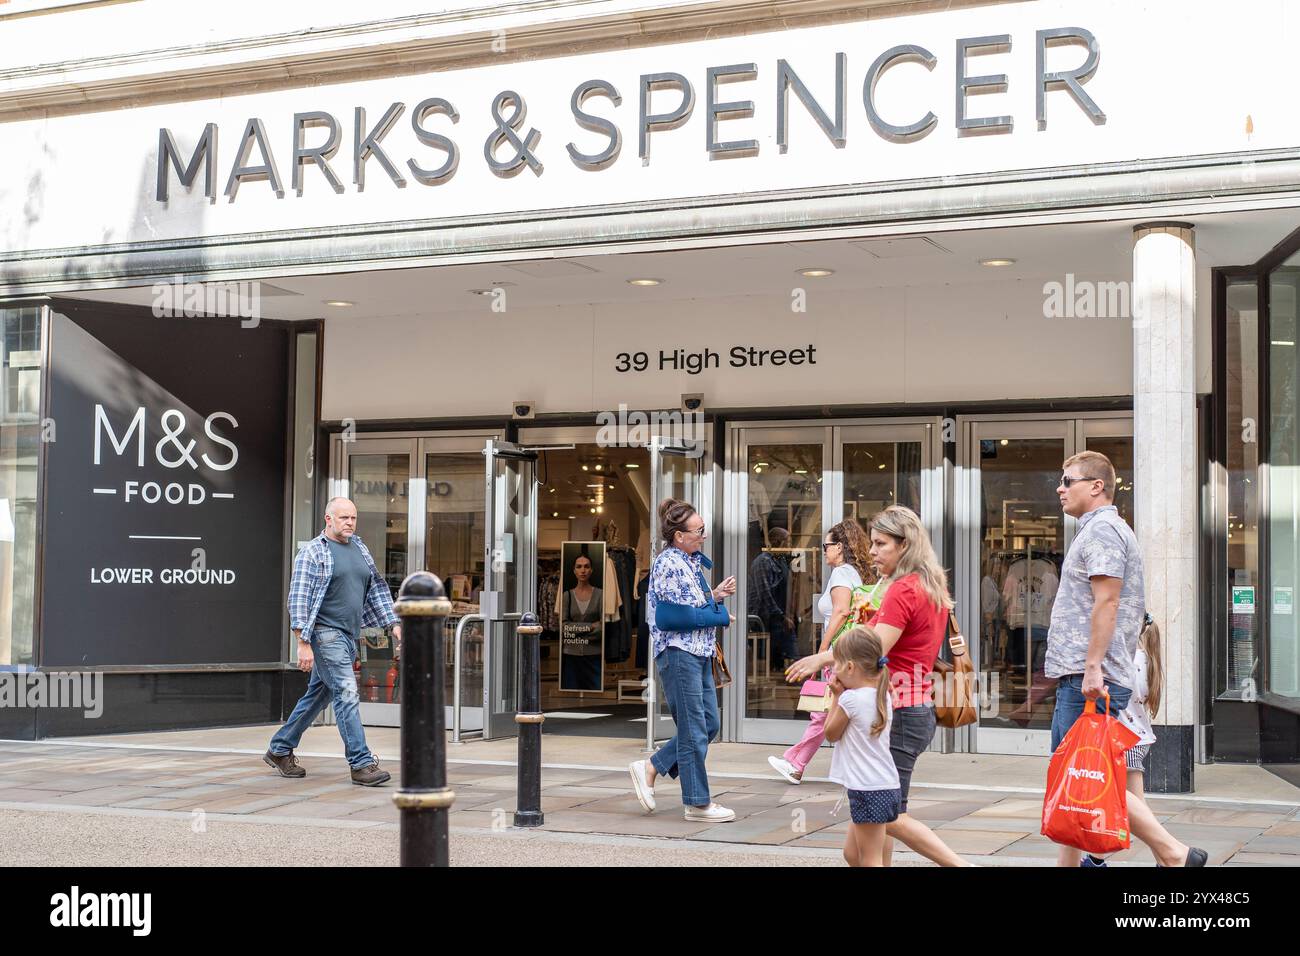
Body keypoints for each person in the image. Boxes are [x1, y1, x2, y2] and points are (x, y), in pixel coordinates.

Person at [787, 505, 968, 866]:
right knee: (860, 846)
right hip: (911, 706)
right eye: (872, 543)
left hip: (898, 710)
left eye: (880, 544)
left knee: (888, 815)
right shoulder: (928, 584)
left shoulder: (903, 590)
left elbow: (872, 648)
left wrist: (821, 658)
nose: (871, 552)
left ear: (905, 545)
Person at [1044, 451, 1144, 866]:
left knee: (1086, 771)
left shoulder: (1103, 531)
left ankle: (1173, 852)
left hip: (1089, 676)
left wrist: (1091, 668)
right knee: (1078, 775)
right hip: (1083, 673)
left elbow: (1108, 601)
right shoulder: (1096, 530)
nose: (1060, 488)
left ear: (1096, 486)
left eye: (1068, 480)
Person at [265, 497, 399, 786]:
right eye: (343, 518)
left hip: (350, 636)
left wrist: (393, 623)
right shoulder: (313, 552)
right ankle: (361, 763)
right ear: (328, 519)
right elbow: (298, 599)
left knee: (319, 695)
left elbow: (376, 588)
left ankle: (279, 748)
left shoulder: (360, 548)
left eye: (353, 518)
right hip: (326, 635)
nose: (349, 523)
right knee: (347, 692)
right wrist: (303, 643)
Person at [628, 498, 737, 822]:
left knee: (708, 724)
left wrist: (714, 597)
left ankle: (652, 765)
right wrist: (717, 617)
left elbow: (692, 604)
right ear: (679, 536)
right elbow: (669, 617)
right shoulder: (668, 563)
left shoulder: (689, 561)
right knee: (693, 730)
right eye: (698, 530)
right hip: (679, 654)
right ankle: (697, 803)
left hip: (698, 653)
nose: (703, 535)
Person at [1082, 614, 1207, 867]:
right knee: (1135, 806)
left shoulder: (1130, 660)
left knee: (1127, 806)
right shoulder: (1147, 658)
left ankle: (1171, 855)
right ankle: (1166, 858)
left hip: (1124, 737)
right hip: (1137, 736)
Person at [768, 519, 871, 784]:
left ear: (840, 547)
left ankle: (796, 762)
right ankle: (799, 762)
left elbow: (840, 611)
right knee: (833, 709)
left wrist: (822, 650)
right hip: (849, 651)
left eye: (826, 546)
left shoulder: (841, 574)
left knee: (825, 710)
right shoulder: (855, 573)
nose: (823, 551)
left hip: (838, 651)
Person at [825, 626, 902, 867]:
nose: (834, 671)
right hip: (886, 786)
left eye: (836, 664)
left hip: (867, 789)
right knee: (854, 854)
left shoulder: (851, 699)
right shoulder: (881, 695)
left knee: (869, 860)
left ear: (850, 667)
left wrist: (836, 696)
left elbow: (830, 733)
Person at [748, 526, 795, 669]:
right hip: (766, 617)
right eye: (787, 543)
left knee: (787, 651)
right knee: (773, 653)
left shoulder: (780, 561)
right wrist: (781, 616)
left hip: (778, 616)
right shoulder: (763, 562)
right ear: (777, 542)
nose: (789, 547)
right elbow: (765, 593)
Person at [559, 550, 603, 690]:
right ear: (574, 571)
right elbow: (564, 627)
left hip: (594, 654)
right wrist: (590, 627)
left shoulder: (600, 594)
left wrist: (576, 630)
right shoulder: (567, 596)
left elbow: (602, 628)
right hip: (571, 655)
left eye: (586, 566)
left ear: (591, 570)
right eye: (579, 566)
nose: (583, 570)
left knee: (595, 692)